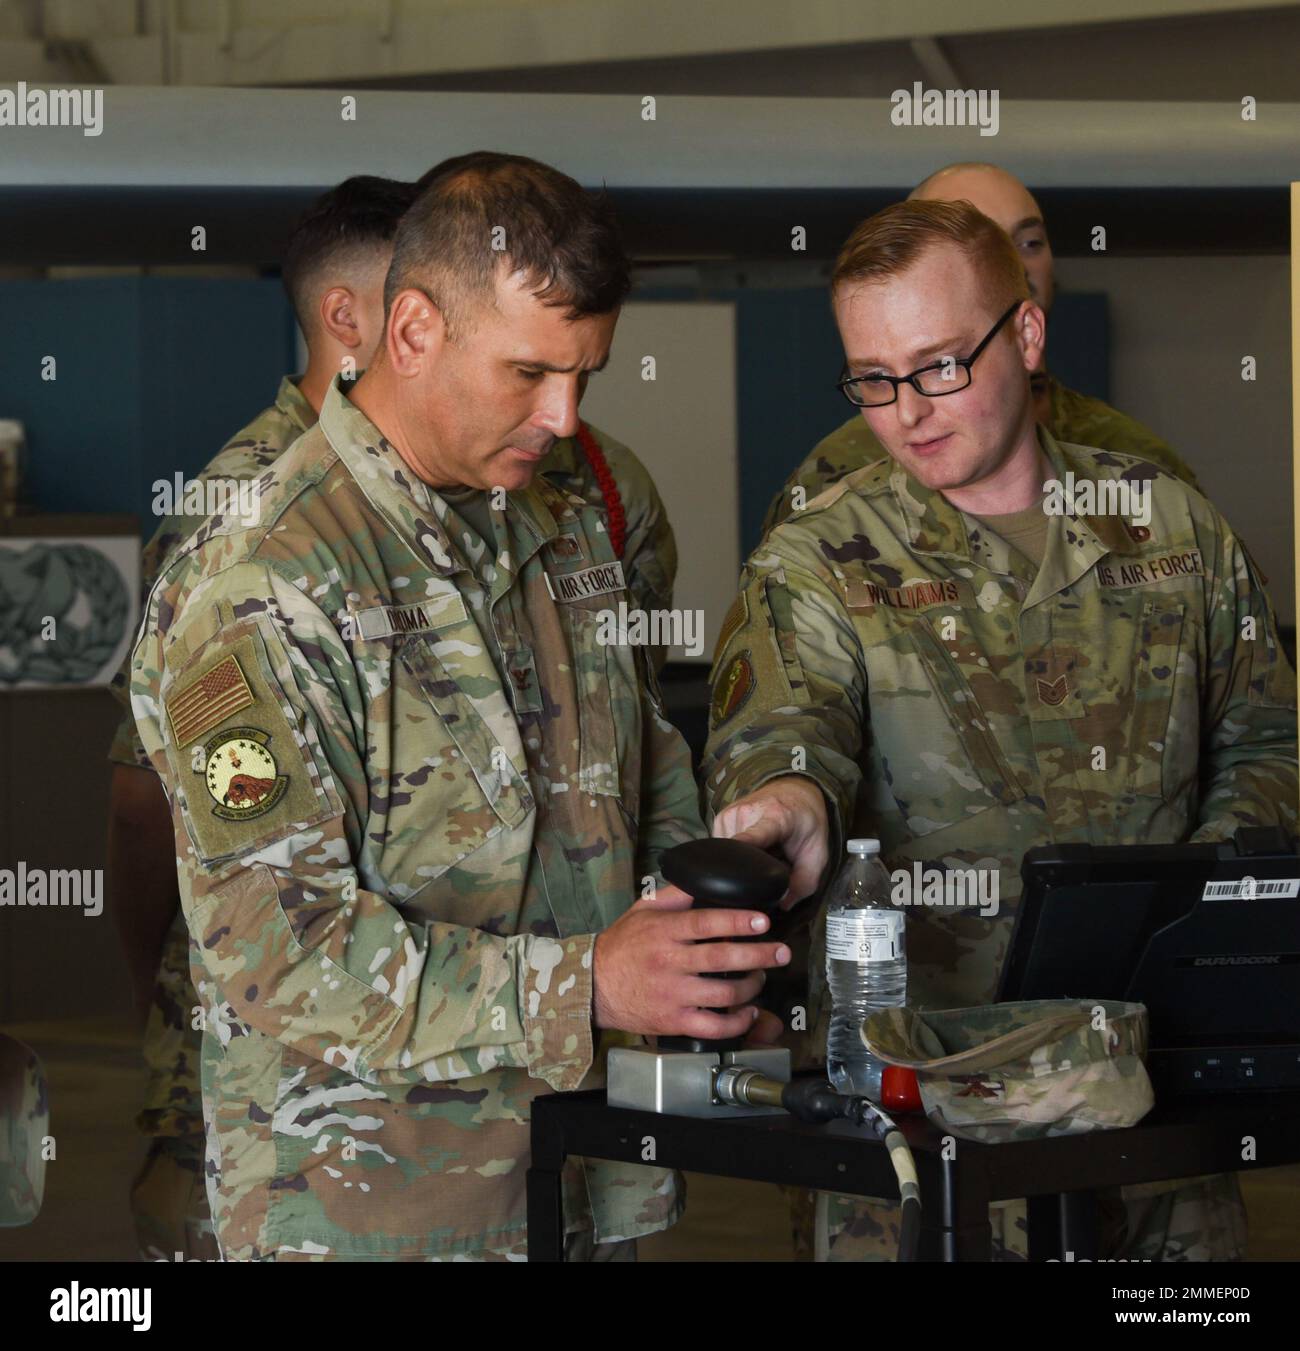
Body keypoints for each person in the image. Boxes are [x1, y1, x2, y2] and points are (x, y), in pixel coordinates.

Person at [127, 152, 788, 1261]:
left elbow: (640, 770)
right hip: (374, 1210)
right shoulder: (261, 579)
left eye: (587, 374)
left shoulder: (558, 514)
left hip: (586, 1178)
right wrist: (590, 983)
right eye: (529, 372)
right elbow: (281, 950)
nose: (566, 417)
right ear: (414, 331)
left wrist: (706, 957)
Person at [702, 198, 1296, 1261]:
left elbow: (1266, 740)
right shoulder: (821, 559)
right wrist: (784, 797)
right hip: (927, 1116)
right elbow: (790, 728)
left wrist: (1199, 901)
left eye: (937, 367)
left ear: (1023, 334)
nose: (906, 413)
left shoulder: (1170, 528)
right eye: (872, 380)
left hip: (1150, 1096)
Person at [107, 174, 416, 1262]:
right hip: (266, 1072)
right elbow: (145, 805)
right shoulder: (244, 516)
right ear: (349, 319)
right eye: (422, 303)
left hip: (432, 1078)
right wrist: (169, 994)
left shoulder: (464, 496)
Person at [761, 161, 1201, 537]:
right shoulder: (837, 472)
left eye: (1029, 242)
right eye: (975, 239)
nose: (1010, 260)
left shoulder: (1138, 460)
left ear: (1029, 332)